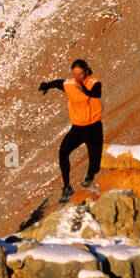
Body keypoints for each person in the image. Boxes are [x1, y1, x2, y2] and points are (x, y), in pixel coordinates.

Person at [38, 60, 103, 202]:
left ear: (86, 71)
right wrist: (47, 85)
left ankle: (91, 173)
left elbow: (97, 93)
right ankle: (67, 186)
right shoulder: (69, 84)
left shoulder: (94, 82)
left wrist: (84, 90)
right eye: (75, 74)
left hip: (94, 127)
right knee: (63, 152)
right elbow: (59, 83)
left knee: (95, 162)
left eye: (80, 74)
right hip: (78, 128)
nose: (77, 77)